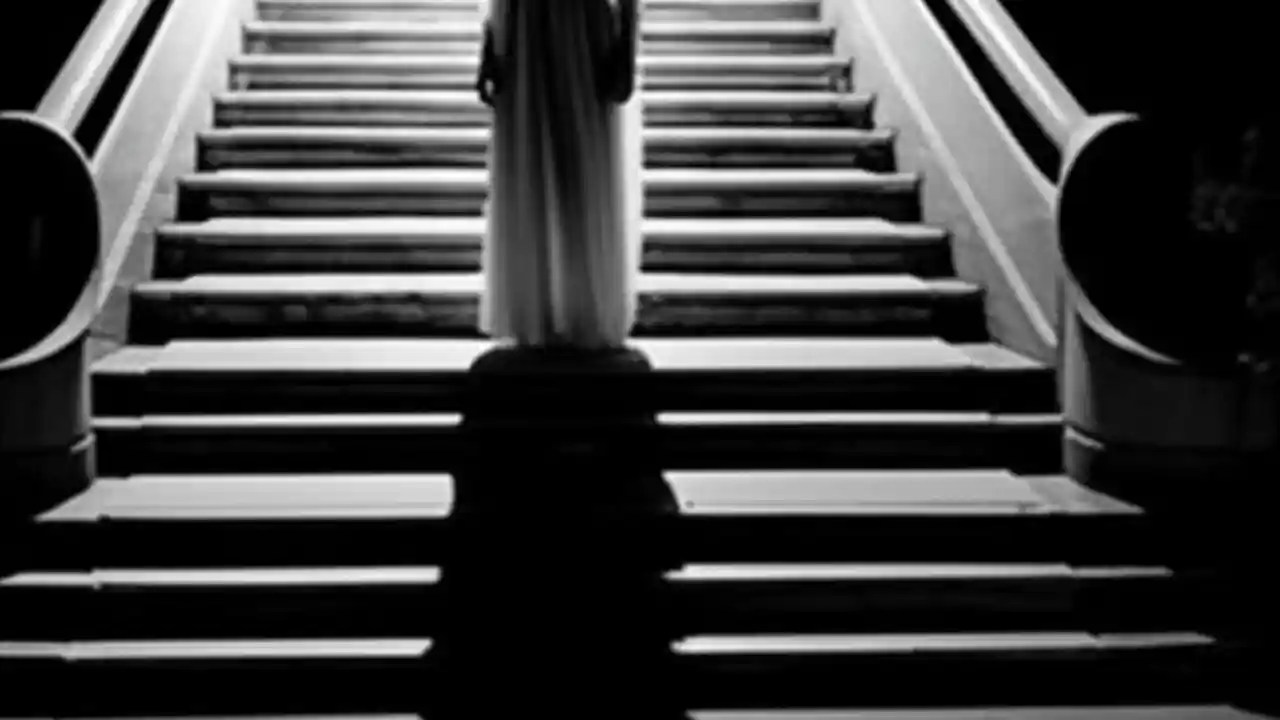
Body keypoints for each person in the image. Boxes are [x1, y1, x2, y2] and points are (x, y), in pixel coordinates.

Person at [475, 0, 644, 351]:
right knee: (530, 172)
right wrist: (490, 42)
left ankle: (586, 307)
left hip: (580, 29)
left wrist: (627, 45)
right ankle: (536, 309)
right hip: (523, 28)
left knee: (583, 172)